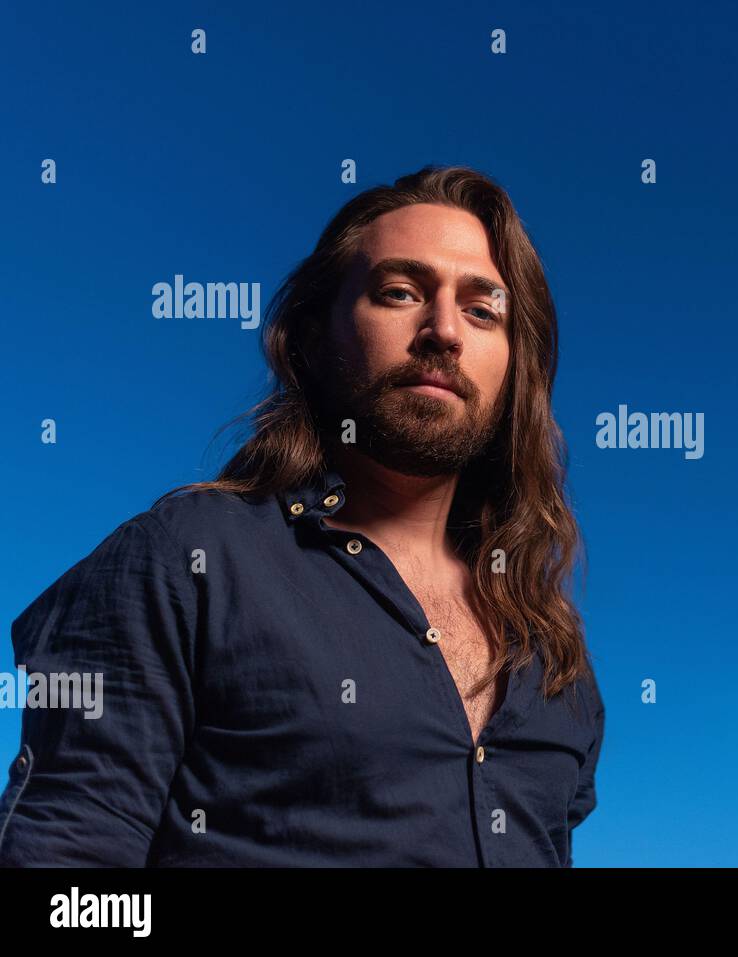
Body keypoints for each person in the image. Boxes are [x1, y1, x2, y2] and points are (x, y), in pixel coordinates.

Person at [0, 165, 604, 867]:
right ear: (312, 337)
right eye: (400, 292)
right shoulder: (187, 562)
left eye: (482, 309)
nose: (443, 330)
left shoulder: (554, 660)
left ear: (514, 369)